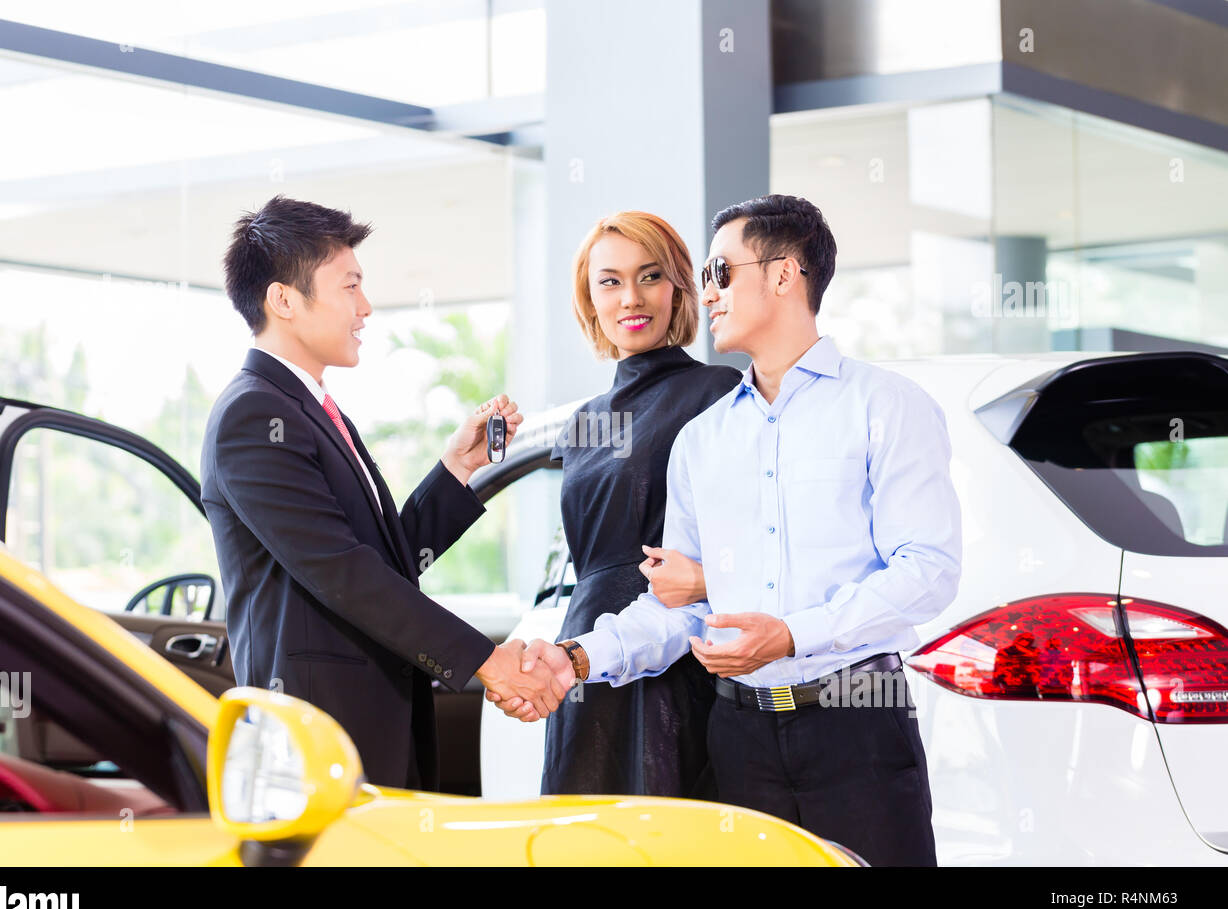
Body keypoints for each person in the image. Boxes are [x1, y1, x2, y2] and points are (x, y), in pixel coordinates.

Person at [502, 194, 962, 866]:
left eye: (721, 271)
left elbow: (928, 570)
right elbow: (682, 610)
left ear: (783, 275)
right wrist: (575, 659)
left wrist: (791, 633)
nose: (705, 291)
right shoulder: (703, 440)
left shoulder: (885, 407)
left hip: (854, 724)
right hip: (737, 735)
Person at [200, 195, 571, 791]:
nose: (365, 308)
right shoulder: (254, 416)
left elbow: (382, 559)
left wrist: (457, 469)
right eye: (350, 286)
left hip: (366, 721)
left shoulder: (308, 407)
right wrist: (491, 661)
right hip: (317, 736)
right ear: (284, 300)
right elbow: (346, 575)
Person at [514, 211, 742, 797]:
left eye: (650, 276)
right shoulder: (583, 420)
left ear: (678, 288)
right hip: (584, 649)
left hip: (672, 652)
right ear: (589, 299)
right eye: (609, 281)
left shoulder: (718, 393)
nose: (631, 298)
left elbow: (747, 538)